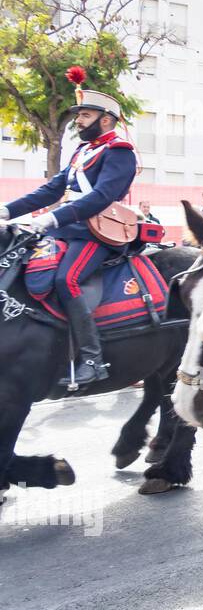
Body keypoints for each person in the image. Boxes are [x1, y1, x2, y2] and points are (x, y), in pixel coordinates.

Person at [0, 75, 137, 386]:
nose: (79, 121)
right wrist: (7, 210)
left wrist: (53, 219)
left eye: (85, 116)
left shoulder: (120, 151)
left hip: (97, 232)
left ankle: (92, 357)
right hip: (68, 228)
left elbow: (101, 197)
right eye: (78, 115)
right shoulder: (82, 152)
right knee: (20, 261)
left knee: (66, 279)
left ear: (106, 120)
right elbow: (51, 190)